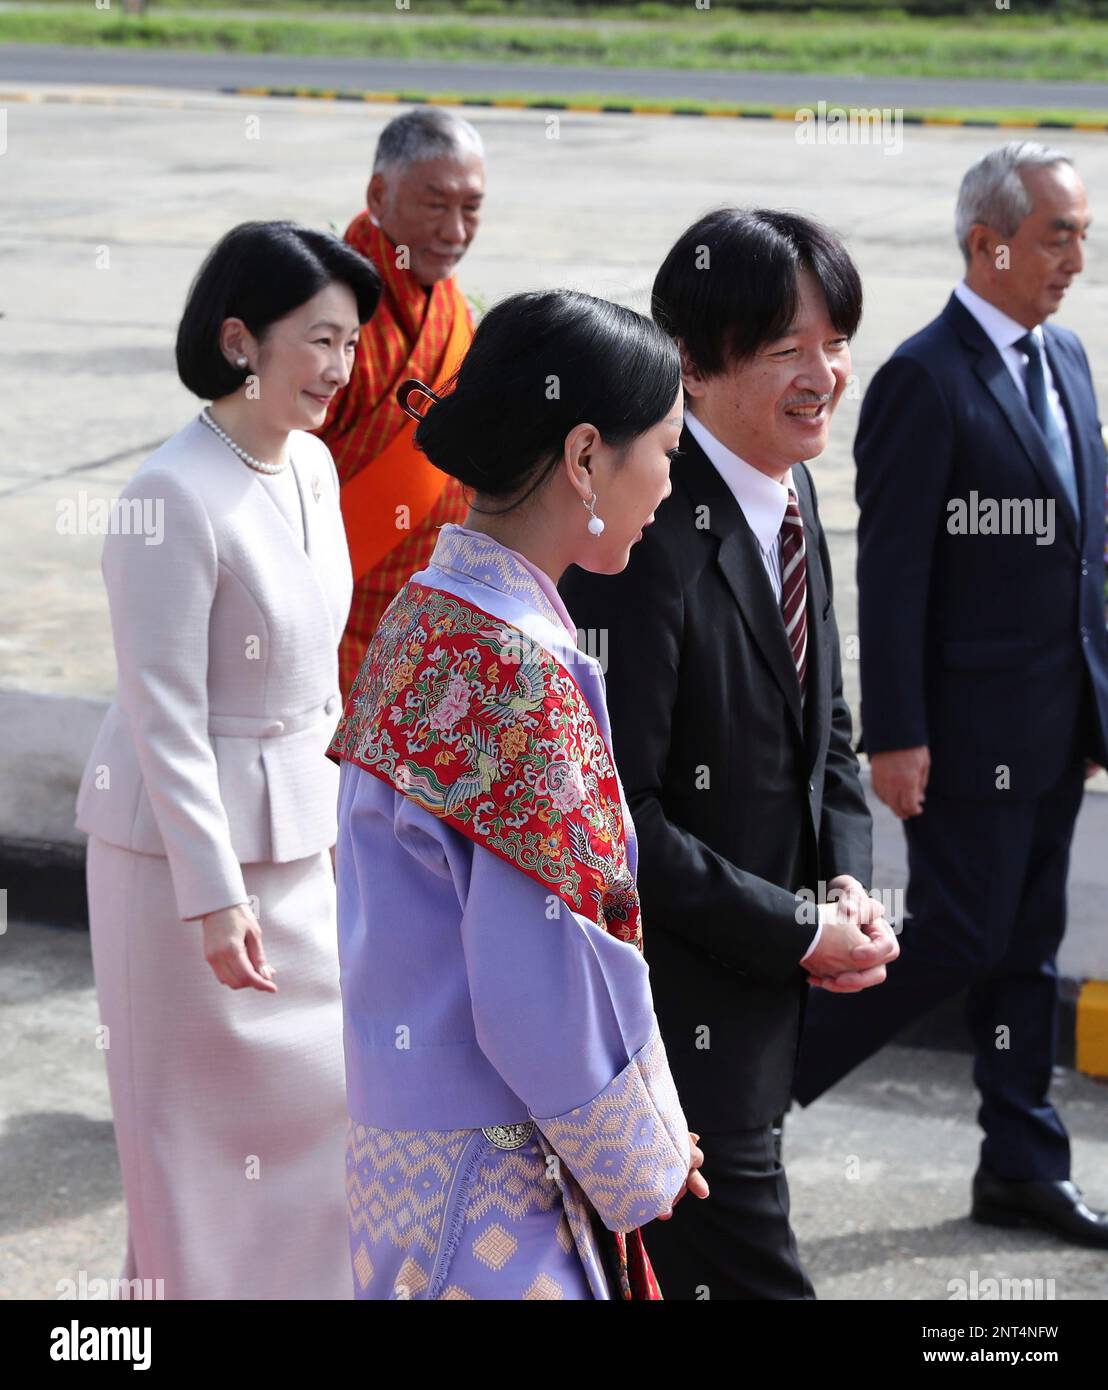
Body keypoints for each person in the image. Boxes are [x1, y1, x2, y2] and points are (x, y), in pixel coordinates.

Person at [330, 288, 707, 1301]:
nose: (670, 483)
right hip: (495, 1178)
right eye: (665, 449)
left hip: (397, 1153)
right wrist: (644, 1150)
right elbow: (535, 977)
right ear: (586, 456)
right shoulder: (514, 670)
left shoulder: (425, 610)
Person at [560, 209, 900, 1300]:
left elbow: (826, 738)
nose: (824, 376)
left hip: (764, 1005)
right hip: (667, 1021)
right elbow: (618, 816)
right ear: (694, 367)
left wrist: (842, 880)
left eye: (835, 343)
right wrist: (796, 928)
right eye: (786, 350)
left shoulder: (791, 488)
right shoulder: (643, 530)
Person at [793, 143, 1108, 1247]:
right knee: (954, 940)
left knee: (1026, 949)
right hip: (966, 735)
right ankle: (756, 1085)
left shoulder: (1064, 358)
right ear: (989, 243)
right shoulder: (924, 379)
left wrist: (1095, 705)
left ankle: (1020, 1163)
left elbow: (1085, 553)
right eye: (1059, 232)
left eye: (1080, 230)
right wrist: (898, 733)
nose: (1078, 252)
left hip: (1056, 721)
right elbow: (895, 568)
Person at [74, 221, 381, 1298]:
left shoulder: (313, 462)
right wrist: (211, 896)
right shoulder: (171, 493)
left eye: (350, 345)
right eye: (321, 341)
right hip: (180, 869)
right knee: (191, 1153)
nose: (340, 371)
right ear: (241, 340)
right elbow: (164, 714)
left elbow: (323, 681)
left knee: (332, 1114)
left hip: (300, 847)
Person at [315, 107, 485, 693]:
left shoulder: (450, 305)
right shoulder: (328, 314)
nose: (455, 231)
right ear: (378, 194)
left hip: (427, 626)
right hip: (331, 629)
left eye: (471, 208)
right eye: (435, 204)